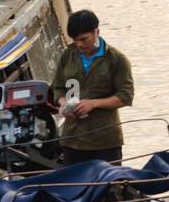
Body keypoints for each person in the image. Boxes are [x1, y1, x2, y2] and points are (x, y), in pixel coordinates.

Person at [51, 10, 134, 165]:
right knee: (74, 187)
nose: (79, 44)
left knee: (108, 187)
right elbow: (58, 87)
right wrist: (63, 104)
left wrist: (94, 104)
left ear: (96, 32)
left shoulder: (116, 59)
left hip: (105, 141)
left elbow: (125, 96)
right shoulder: (68, 55)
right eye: (75, 40)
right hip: (72, 139)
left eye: (84, 39)